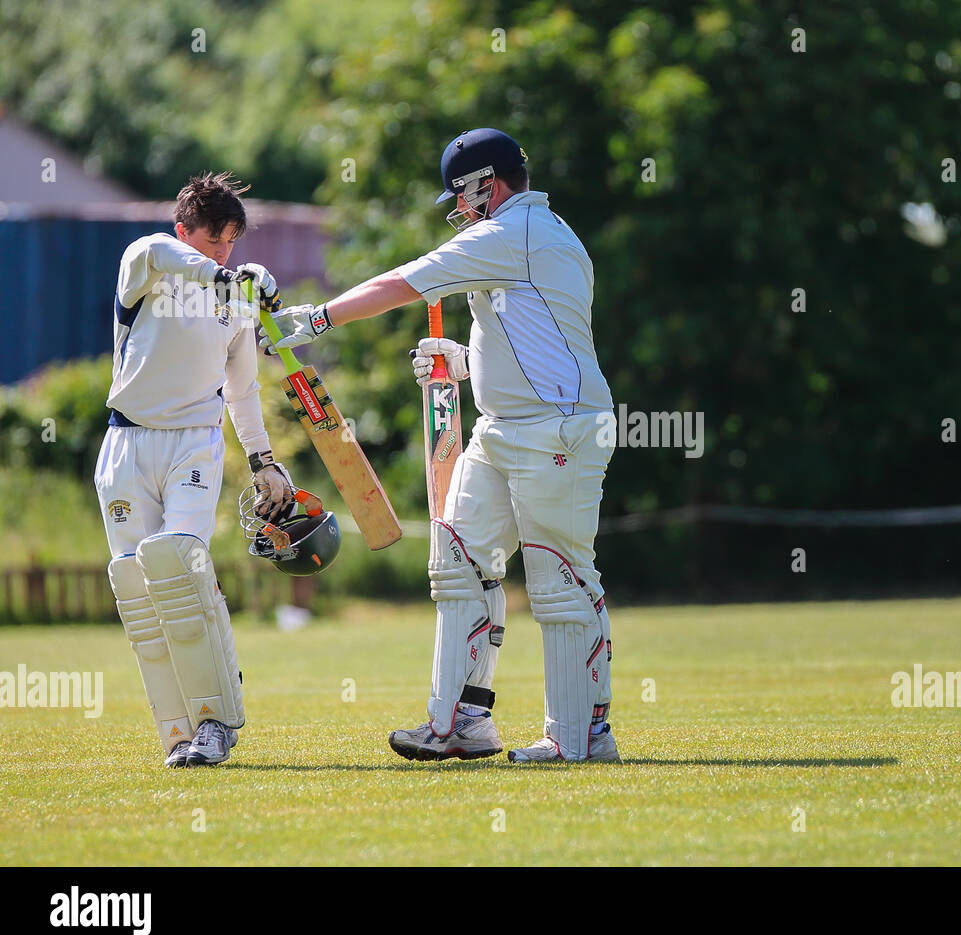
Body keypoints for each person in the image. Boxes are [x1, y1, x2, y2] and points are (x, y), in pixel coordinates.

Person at [263, 128, 618, 762]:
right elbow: (537, 336)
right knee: (457, 557)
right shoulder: (539, 238)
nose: (458, 208)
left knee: (561, 581)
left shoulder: (511, 234)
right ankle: (460, 722)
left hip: (557, 430)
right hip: (504, 427)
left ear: (490, 185)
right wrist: (459, 362)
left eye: (462, 193)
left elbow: (405, 282)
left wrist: (315, 319)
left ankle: (580, 737)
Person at [96, 171, 294, 767]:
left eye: (233, 241)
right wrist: (223, 275)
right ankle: (178, 735)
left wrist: (262, 460)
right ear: (186, 229)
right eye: (215, 239)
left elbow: (241, 390)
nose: (225, 252)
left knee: (180, 568)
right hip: (126, 445)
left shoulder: (233, 299)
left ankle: (215, 725)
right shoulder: (146, 262)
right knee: (138, 587)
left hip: (194, 445)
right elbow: (160, 252)